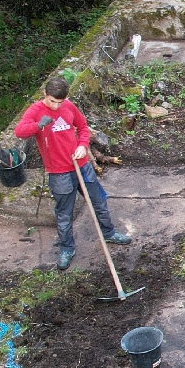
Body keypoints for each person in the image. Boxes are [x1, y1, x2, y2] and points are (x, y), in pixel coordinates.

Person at [13, 75, 133, 271]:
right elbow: (19, 132)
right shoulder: (36, 111)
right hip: (59, 172)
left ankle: (109, 233)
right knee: (64, 214)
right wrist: (38, 125)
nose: (55, 106)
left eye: (59, 102)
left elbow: (83, 127)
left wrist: (83, 146)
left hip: (82, 165)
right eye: (52, 101)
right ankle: (67, 248)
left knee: (99, 201)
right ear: (45, 94)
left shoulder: (68, 106)